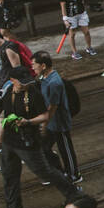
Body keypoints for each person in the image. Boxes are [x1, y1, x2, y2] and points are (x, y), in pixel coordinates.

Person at [0, 67, 82, 208]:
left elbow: (45, 115)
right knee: (9, 173)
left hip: (27, 141)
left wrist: (28, 121)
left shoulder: (34, 94)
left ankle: (74, 194)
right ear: (12, 81)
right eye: (22, 83)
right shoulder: (7, 91)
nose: (26, 85)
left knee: (45, 171)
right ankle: (14, 206)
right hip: (9, 140)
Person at [34, 52, 80, 183]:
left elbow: (53, 106)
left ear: (43, 65)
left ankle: (73, 174)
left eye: (34, 65)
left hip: (59, 121)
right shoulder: (44, 78)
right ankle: (56, 171)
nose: (32, 68)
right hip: (51, 121)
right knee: (43, 146)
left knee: (65, 148)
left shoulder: (54, 82)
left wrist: (44, 123)